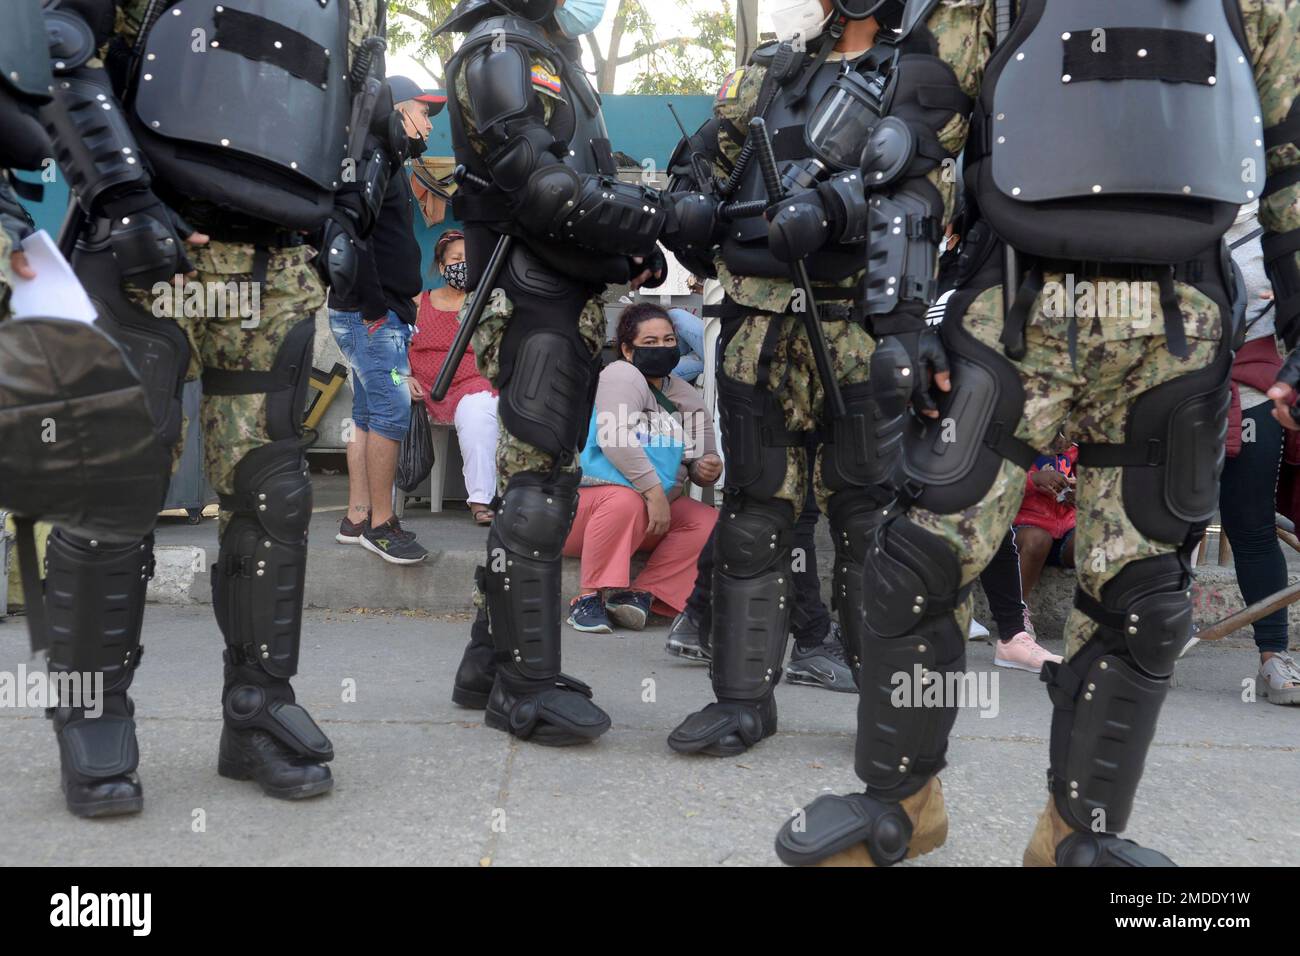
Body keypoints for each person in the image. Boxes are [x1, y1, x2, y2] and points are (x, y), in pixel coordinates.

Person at [774, 0, 1300, 869]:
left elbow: (1288, 162)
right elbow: (918, 132)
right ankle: (900, 799)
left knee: (1144, 596)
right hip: (1008, 303)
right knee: (917, 562)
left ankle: (1078, 832)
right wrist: (904, 315)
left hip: (1176, 321)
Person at [31, 0, 391, 816]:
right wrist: (120, 195)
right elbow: (58, 44)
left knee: (274, 493)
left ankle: (256, 709)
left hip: (275, 256)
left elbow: (362, 107)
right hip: (151, 237)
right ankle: (91, 711)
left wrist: (348, 210)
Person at [661, 0, 904, 758]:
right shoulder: (769, 72)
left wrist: (841, 209)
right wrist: (692, 213)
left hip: (857, 327)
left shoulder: (915, 72)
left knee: (866, 523)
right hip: (757, 326)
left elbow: (935, 191)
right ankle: (741, 703)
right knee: (755, 513)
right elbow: (703, 163)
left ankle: (891, 716)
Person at [437, 0, 681, 746]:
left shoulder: (549, 51)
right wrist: (658, 218)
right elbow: (543, 190)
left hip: (562, 295)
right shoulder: (499, 49)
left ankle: (490, 665)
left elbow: (576, 185)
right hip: (527, 296)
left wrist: (623, 252)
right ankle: (526, 686)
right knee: (535, 493)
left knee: (540, 484)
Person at [330, 76, 441, 565]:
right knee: (390, 418)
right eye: (422, 114)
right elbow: (354, 239)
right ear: (397, 112)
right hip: (372, 317)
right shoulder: (373, 159)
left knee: (367, 416)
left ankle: (357, 518)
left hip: (368, 315)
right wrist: (377, 309)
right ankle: (381, 524)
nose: (428, 129)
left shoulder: (383, 160)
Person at [563, 303, 720, 632]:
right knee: (626, 499)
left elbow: (702, 457)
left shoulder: (685, 394)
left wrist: (707, 469)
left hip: (651, 517)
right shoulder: (620, 375)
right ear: (626, 349)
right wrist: (654, 494)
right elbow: (614, 437)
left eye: (668, 340)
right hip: (590, 513)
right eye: (649, 343)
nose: (662, 348)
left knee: (708, 522)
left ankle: (641, 594)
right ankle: (589, 598)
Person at [1225, 203, 1299, 705]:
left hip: (1252, 394)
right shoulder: (1169, 218)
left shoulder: (1278, 236)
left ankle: (1273, 656)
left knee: (1251, 527)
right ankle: (1140, 646)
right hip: (1172, 396)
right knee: (1160, 528)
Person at [409, 229, 500, 525]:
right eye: (456, 259)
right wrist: (401, 377)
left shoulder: (486, 303)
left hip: (471, 384)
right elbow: (392, 346)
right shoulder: (418, 302)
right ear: (441, 265)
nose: (463, 265)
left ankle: (480, 500)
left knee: (479, 415)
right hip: (421, 386)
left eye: (469, 259)